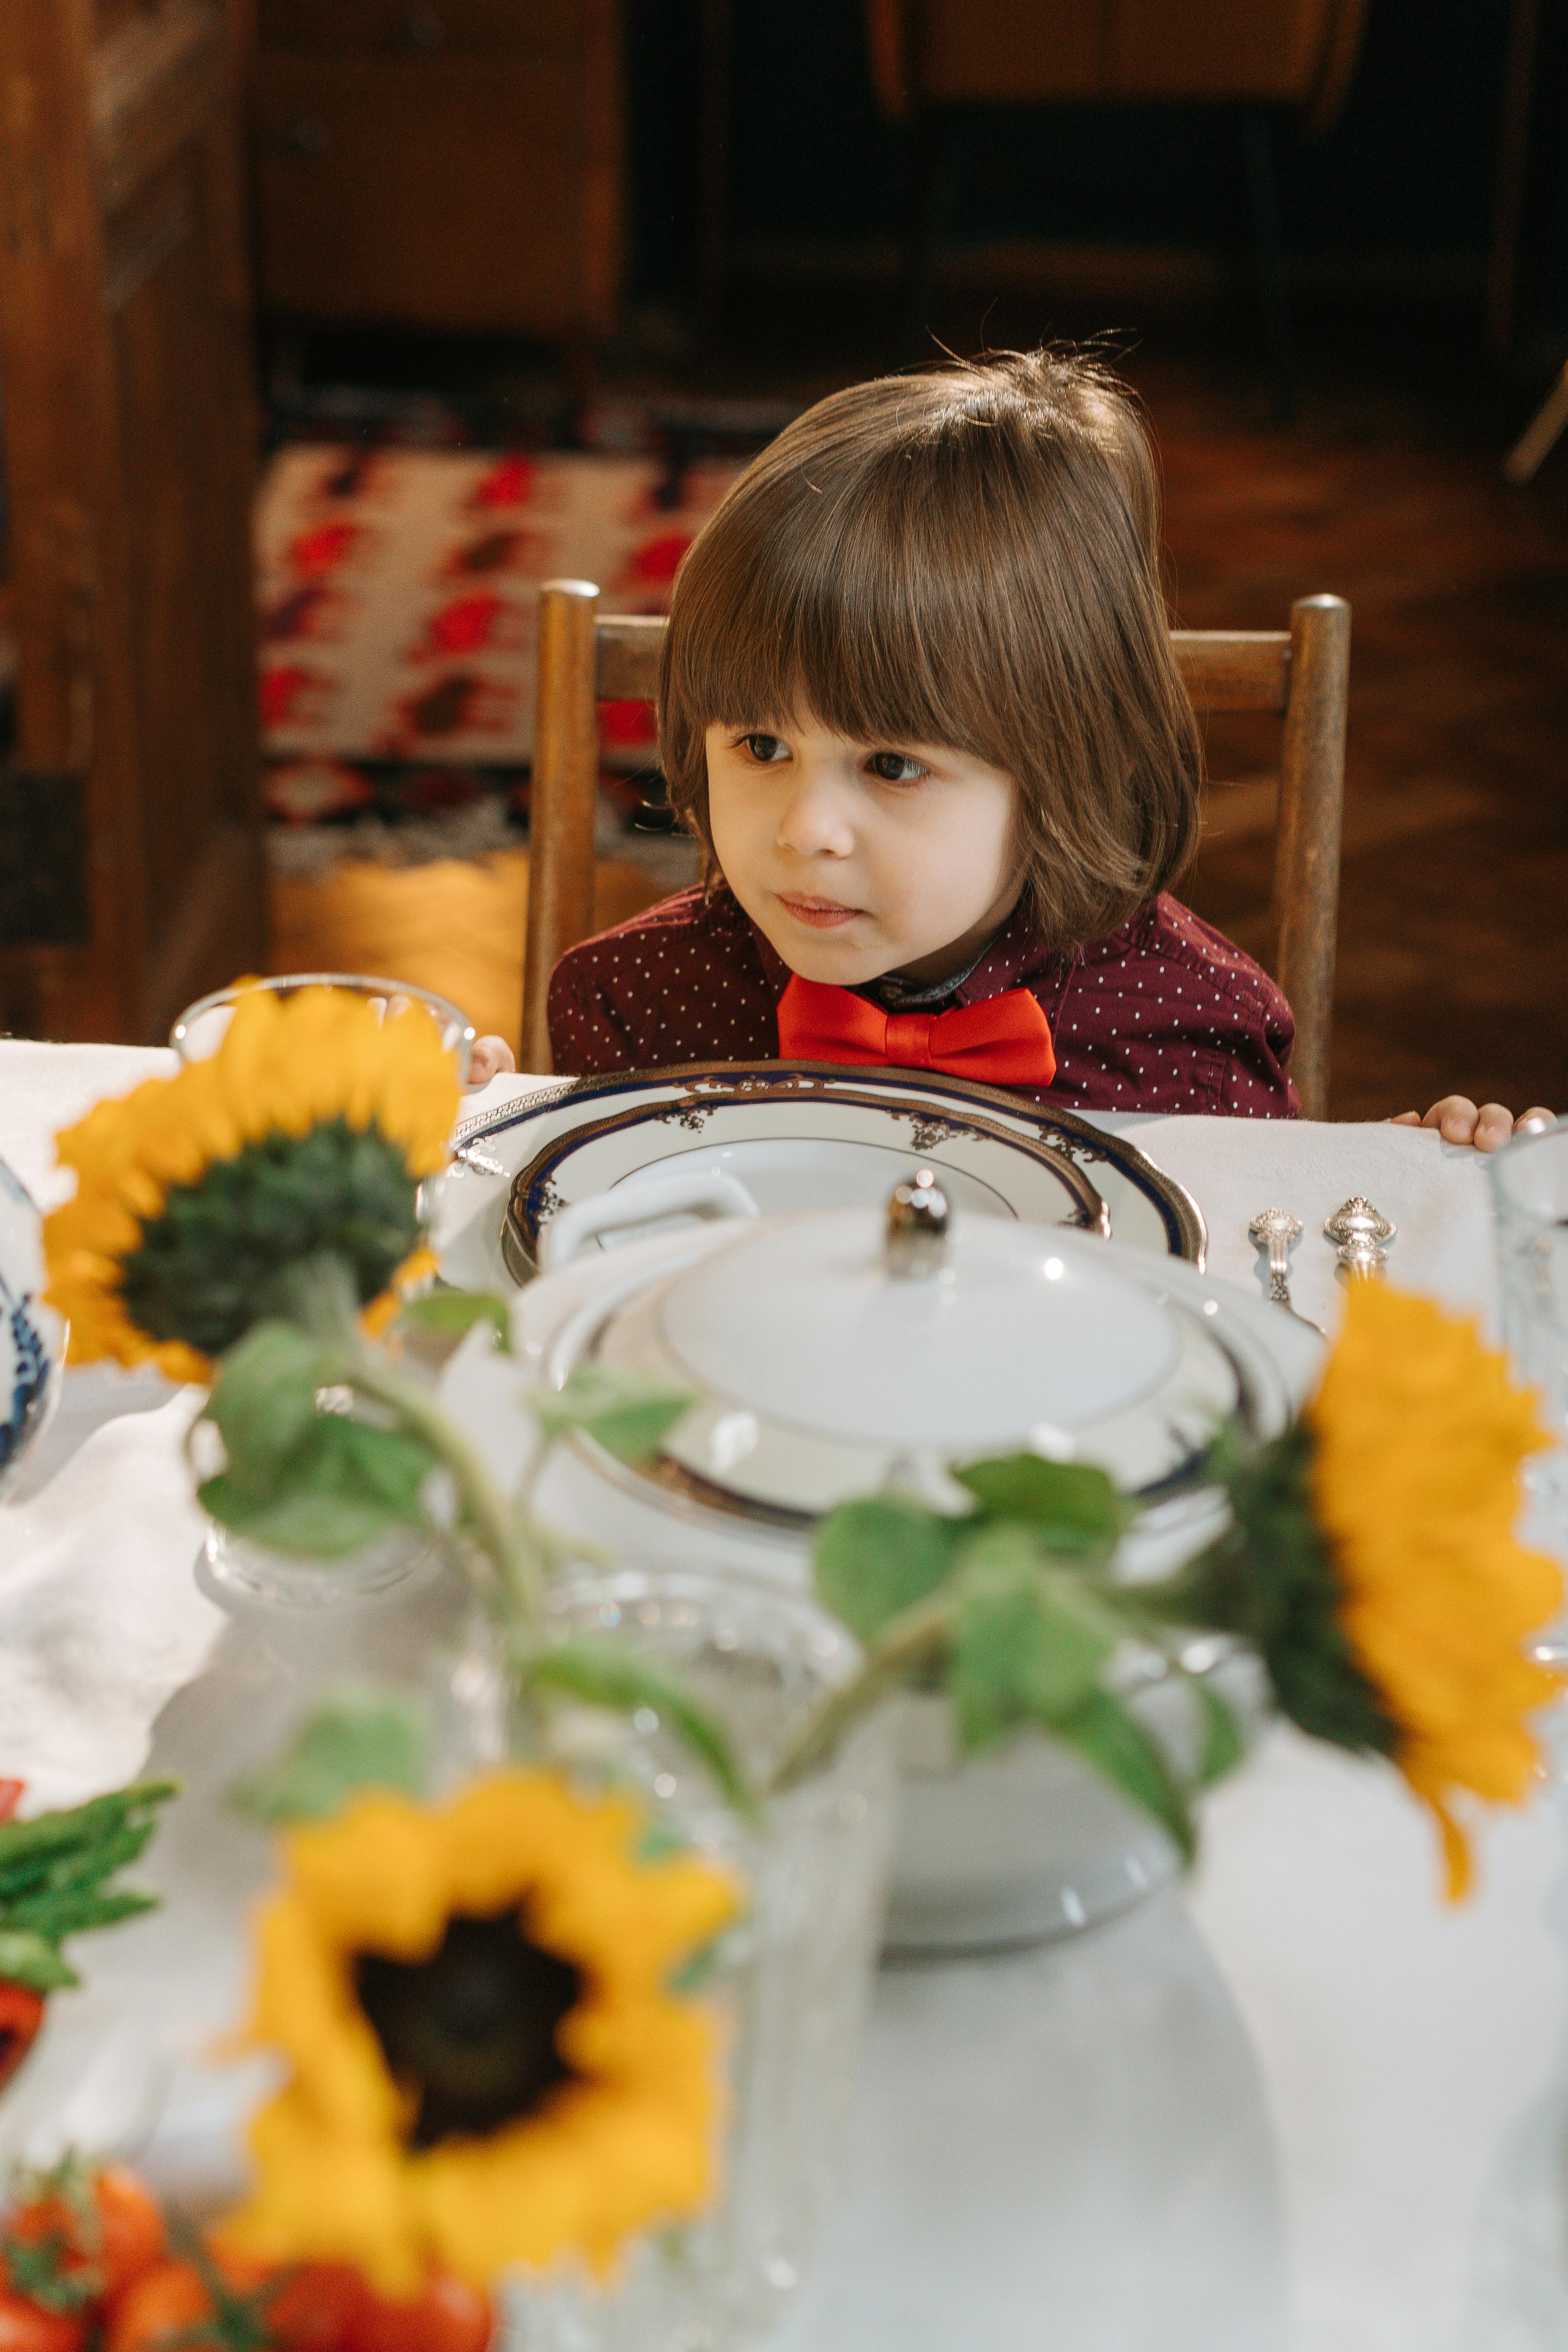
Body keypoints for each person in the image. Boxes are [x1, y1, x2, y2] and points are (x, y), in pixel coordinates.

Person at [469, 349, 1550, 1146]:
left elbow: (1249, 1292)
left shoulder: (1194, 1039)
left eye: (891, 764)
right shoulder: (633, 1001)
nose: (804, 829)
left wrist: (1427, 1177)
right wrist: (488, 1132)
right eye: (761, 743)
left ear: (1063, 770)